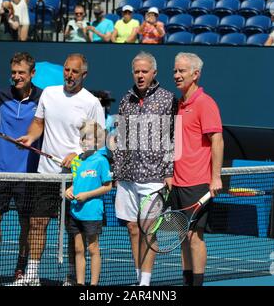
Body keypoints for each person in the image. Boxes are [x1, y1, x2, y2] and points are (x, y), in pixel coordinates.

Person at [13, 53, 106, 286]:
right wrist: (30, 137)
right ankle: (32, 275)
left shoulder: (92, 103)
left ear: (84, 74)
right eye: (66, 70)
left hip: (76, 178)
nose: (69, 75)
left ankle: (73, 277)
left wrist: (76, 154)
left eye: (75, 71)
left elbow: (98, 141)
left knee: (74, 232)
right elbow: (38, 124)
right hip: (47, 173)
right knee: (37, 223)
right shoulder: (49, 94)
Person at [0, 52, 43, 286]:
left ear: (32, 73)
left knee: (27, 224)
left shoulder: (43, 98)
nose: (16, 77)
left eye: (21, 72)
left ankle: (20, 270)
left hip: (28, 175)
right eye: (13, 72)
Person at [113, 51, 177, 286]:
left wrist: (169, 171)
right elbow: (120, 138)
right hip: (128, 177)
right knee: (132, 229)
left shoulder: (168, 99)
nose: (140, 75)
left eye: (144, 71)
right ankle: (138, 277)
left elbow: (173, 138)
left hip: (154, 177)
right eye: (137, 71)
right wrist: (118, 173)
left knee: (149, 230)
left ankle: (145, 284)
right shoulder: (125, 99)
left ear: (154, 73)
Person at [171, 52, 224, 286]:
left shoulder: (206, 103)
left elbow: (217, 140)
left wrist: (215, 178)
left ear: (196, 74)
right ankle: (187, 281)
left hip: (199, 182)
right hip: (178, 182)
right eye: (175, 70)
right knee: (183, 235)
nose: (176, 75)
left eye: (182, 71)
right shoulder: (178, 104)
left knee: (194, 236)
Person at [65, 120, 113, 286]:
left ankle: (93, 285)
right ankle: (80, 283)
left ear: (98, 142)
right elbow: (77, 182)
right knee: (79, 249)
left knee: (93, 249)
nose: (85, 141)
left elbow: (108, 186)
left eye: (89, 138)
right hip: (75, 212)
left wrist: (87, 195)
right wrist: (69, 190)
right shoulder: (77, 161)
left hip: (92, 213)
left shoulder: (101, 160)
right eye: (83, 138)